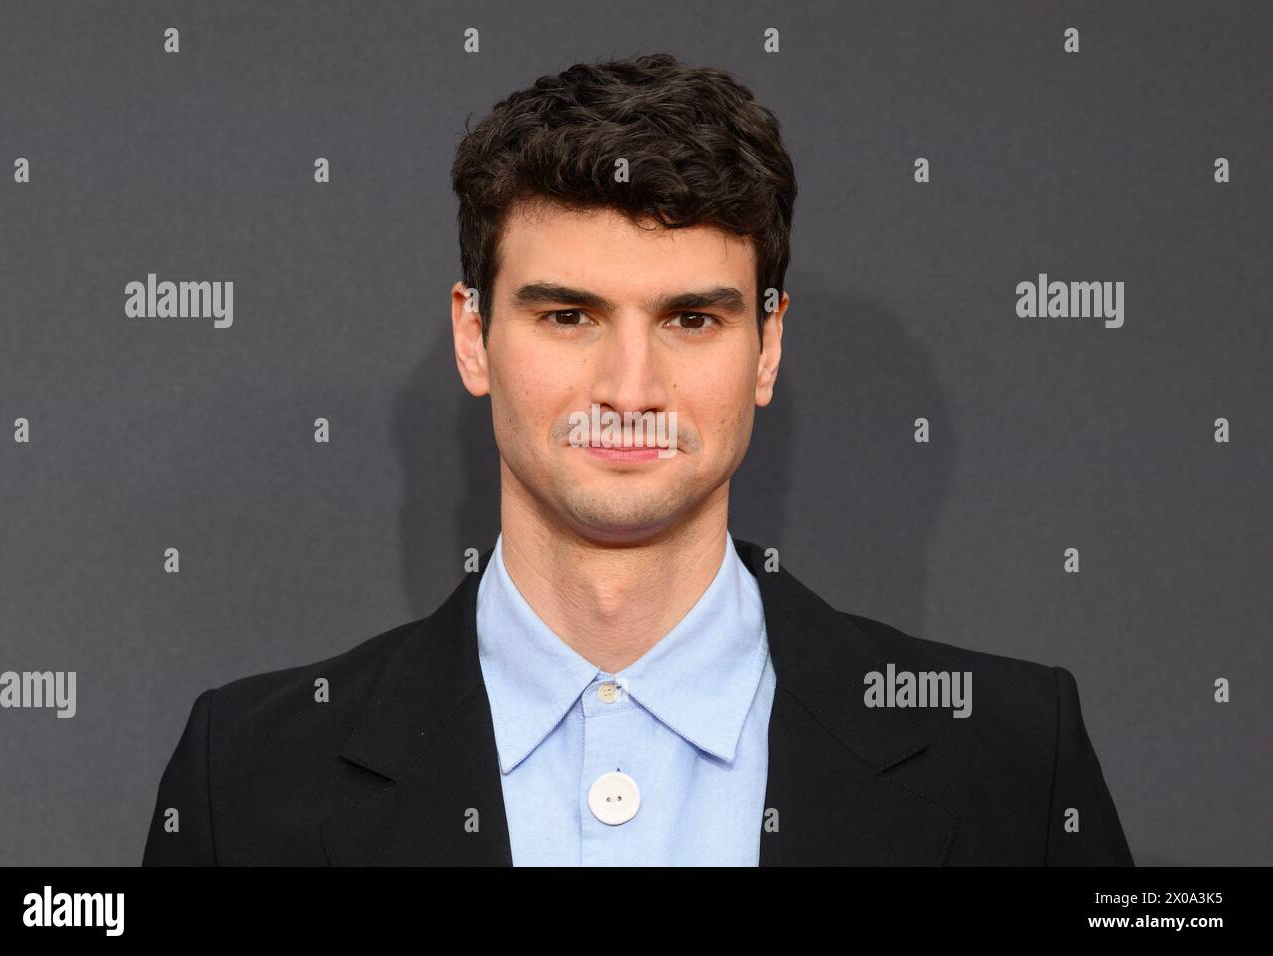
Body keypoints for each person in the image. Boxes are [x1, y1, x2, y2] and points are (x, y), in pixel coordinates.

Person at [142, 53, 1132, 866]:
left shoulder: (1007, 758)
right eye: (567, 315)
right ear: (473, 338)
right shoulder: (249, 778)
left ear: (768, 346)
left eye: (692, 317)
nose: (629, 386)